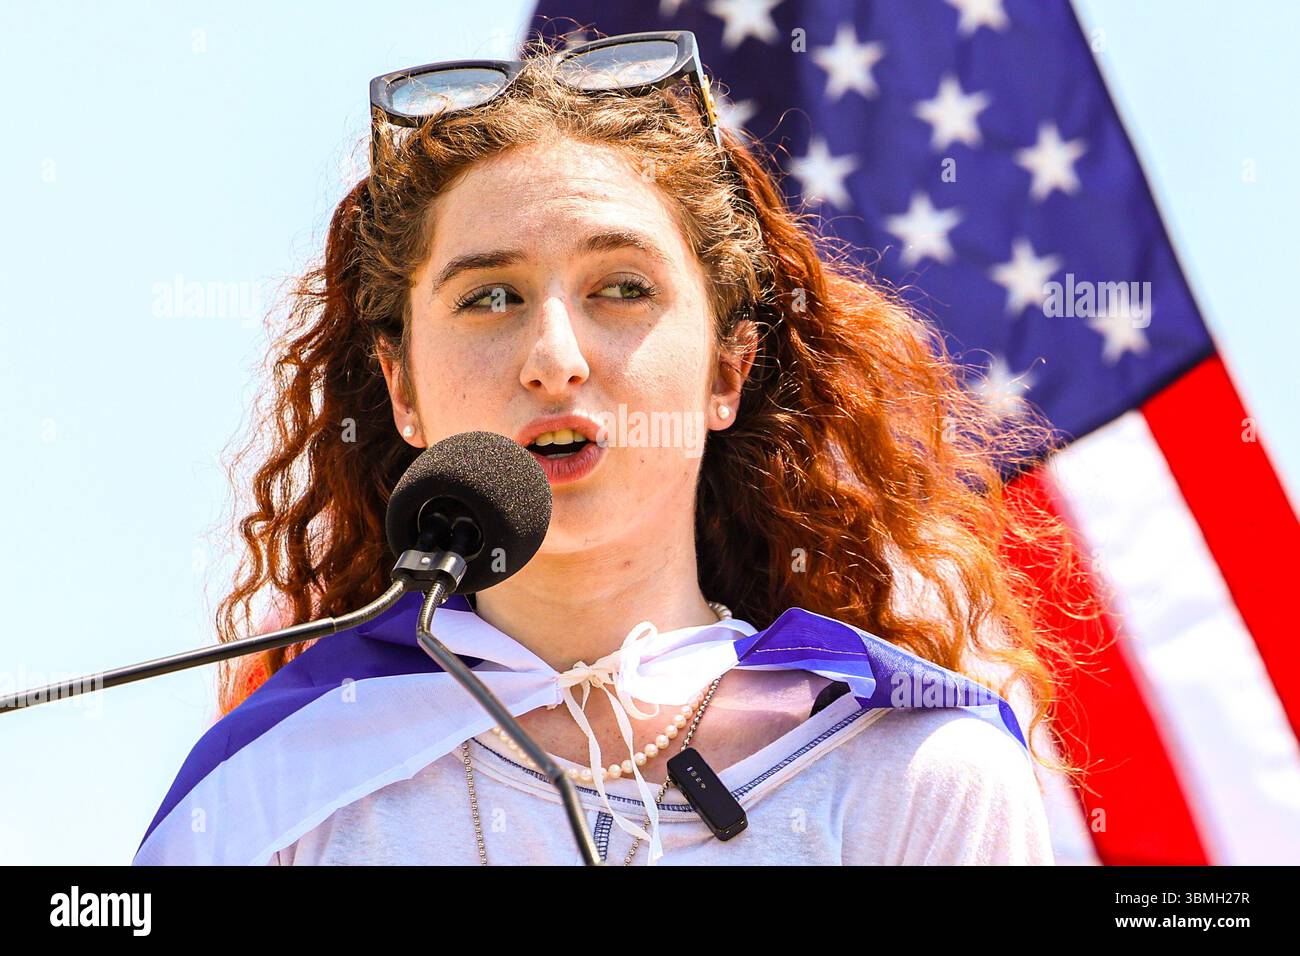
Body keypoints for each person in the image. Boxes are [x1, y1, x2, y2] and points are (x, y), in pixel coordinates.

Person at [136, 32, 1088, 866]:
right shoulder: (262, 799)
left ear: (727, 370)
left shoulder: (920, 776)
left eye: (621, 289)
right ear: (401, 390)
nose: (554, 360)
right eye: (490, 297)